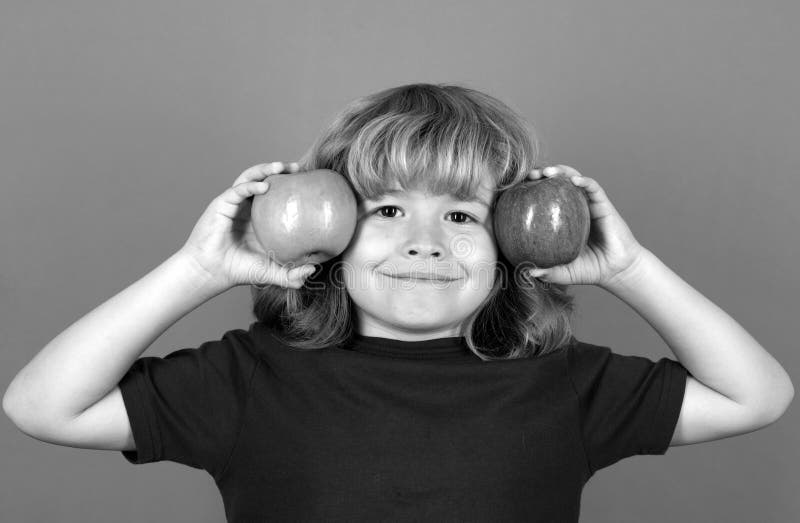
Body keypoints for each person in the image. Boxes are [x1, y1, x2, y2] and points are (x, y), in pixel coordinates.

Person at [3, 83, 793, 522]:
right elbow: (42, 406)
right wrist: (197, 269)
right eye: (386, 211)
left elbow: (758, 395)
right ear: (332, 234)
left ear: (514, 247)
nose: (425, 242)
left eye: (462, 215)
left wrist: (629, 267)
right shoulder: (249, 380)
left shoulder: (566, 385)